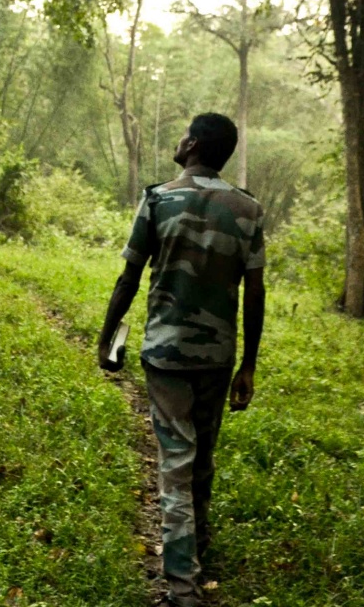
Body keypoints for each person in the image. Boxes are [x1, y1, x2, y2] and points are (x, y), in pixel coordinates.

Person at [96, 112, 266, 607]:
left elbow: (129, 277)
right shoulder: (248, 209)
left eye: (182, 134)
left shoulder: (158, 199)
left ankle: (182, 587)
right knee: (202, 459)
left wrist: (108, 336)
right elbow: (255, 291)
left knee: (175, 465)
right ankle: (199, 548)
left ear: (192, 144)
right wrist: (248, 365)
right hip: (217, 358)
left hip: (166, 355)